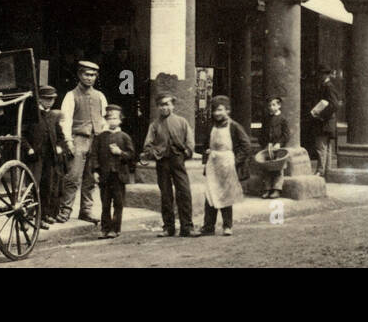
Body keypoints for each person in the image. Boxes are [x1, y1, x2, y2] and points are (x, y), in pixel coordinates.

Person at [58, 59, 107, 225]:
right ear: (79, 75)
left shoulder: (100, 96)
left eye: (93, 75)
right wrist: (68, 141)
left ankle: (86, 210)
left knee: (91, 178)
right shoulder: (71, 96)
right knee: (73, 177)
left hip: (96, 140)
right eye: (86, 74)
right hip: (78, 139)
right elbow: (66, 120)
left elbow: (104, 119)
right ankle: (65, 210)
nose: (90, 78)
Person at [141, 94, 195, 237]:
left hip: (178, 161)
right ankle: (168, 227)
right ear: (158, 107)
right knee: (166, 195)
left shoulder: (182, 122)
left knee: (184, 192)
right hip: (162, 162)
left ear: (173, 105)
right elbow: (147, 145)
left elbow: (190, 142)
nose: (165, 107)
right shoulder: (154, 125)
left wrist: (186, 153)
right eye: (162, 105)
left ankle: (187, 227)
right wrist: (154, 152)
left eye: (168, 104)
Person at [201, 95, 250, 236]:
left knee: (225, 195)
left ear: (227, 110)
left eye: (221, 110)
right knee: (210, 194)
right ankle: (208, 227)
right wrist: (207, 153)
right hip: (213, 164)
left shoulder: (234, 126)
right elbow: (205, 143)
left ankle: (227, 226)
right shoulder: (210, 126)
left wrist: (236, 160)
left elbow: (246, 146)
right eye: (215, 110)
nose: (217, 113)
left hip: (227, 164)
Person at [23, 86, 68, 229]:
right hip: (36, 157)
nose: (50, 102)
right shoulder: (31, 115)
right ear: (40, 99)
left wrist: (60, 146)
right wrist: (28, 149)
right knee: (33, 186)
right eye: (47, 99)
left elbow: (60, 136)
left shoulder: (53, 116)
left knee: (47, 186)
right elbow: (21, 134)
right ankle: (27, 217)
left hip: (50, 157)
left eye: (52, 99)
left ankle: (43, 215)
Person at [90, 105, 134, 239]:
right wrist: (95, 171)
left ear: (120, 120)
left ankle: (115, 228)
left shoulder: (124, 137)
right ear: (106, 120)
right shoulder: (100, 137)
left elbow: (131, 155)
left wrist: (120, 152)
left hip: (119, 175)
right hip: (105, 175)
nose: (112, 121)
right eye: (109, 118)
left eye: (115, 118)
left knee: (118, 203)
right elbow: (94, 155)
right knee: (105, 203)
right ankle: (105, 228)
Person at [258, 95, 289, 199]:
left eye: (274, 105)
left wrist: (279, 143)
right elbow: (262, 132)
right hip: (268, 146)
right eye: (270, 105)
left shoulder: (283, 119)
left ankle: (276, 189)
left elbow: (286, 135)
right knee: (267, 168)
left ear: (279, 105)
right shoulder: (266, 118)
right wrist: (264, 143)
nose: (271, 107)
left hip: (278, 147)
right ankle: (267, 189)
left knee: (278, 168)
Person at [310, 69, 338, 178]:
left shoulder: (328, 87)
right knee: (326, 147)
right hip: (327, 122)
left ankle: (320, 171)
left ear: (326, 75)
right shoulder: (325, 86)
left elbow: (334, 105)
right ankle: (326, 172)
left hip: (324, 122)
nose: (319, 76)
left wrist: (321, 115)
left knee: (321, 147)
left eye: (321, 74)